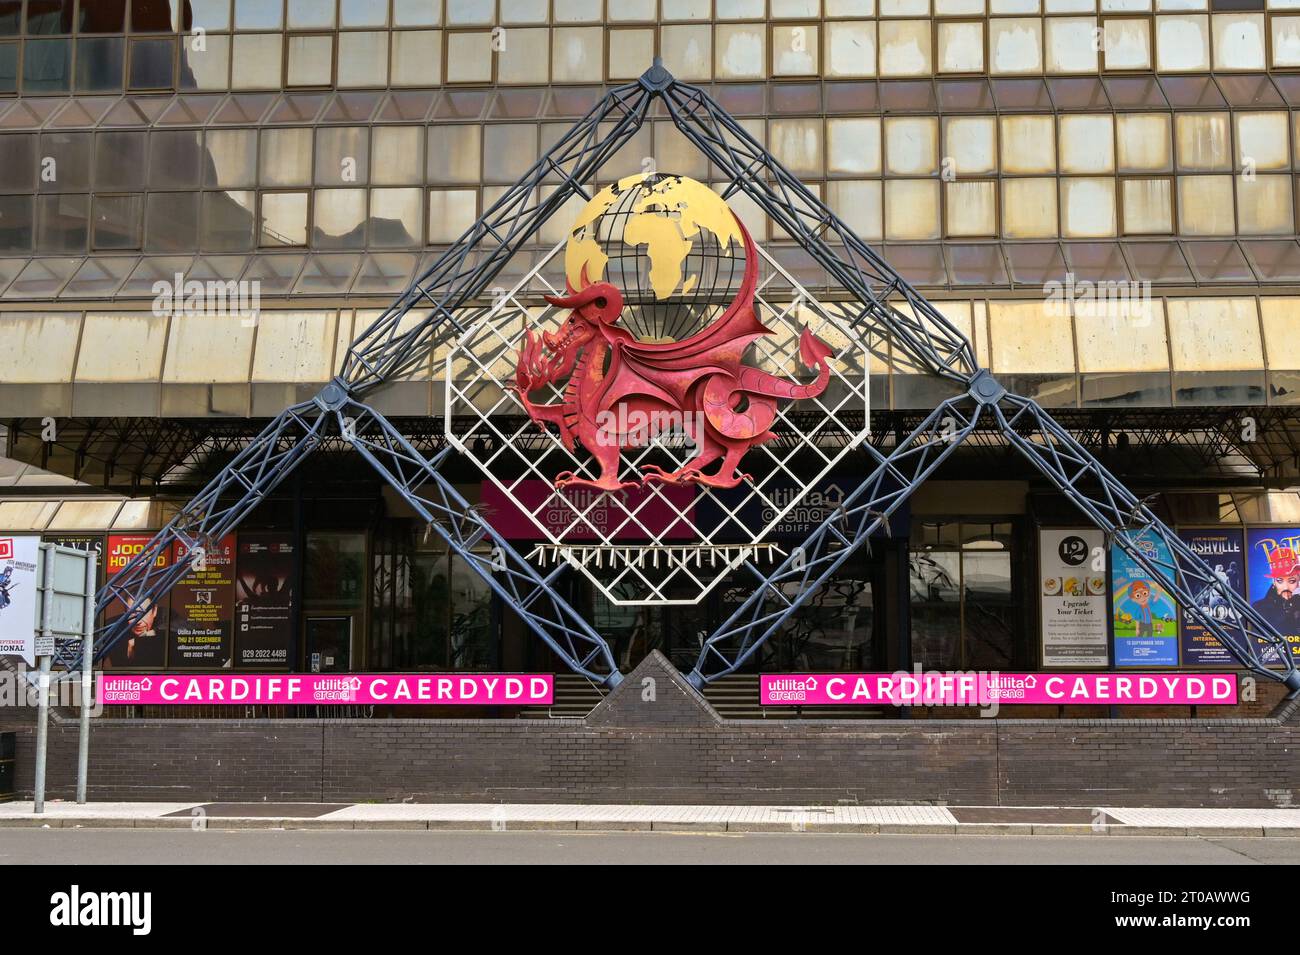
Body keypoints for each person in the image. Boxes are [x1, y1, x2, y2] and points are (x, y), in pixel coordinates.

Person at [1252, 546, 1300, 635]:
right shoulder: (1258, 609)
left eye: (1292, 581)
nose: (1286, 587)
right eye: (1280, 581)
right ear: (1273, 582)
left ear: (1298, 581)